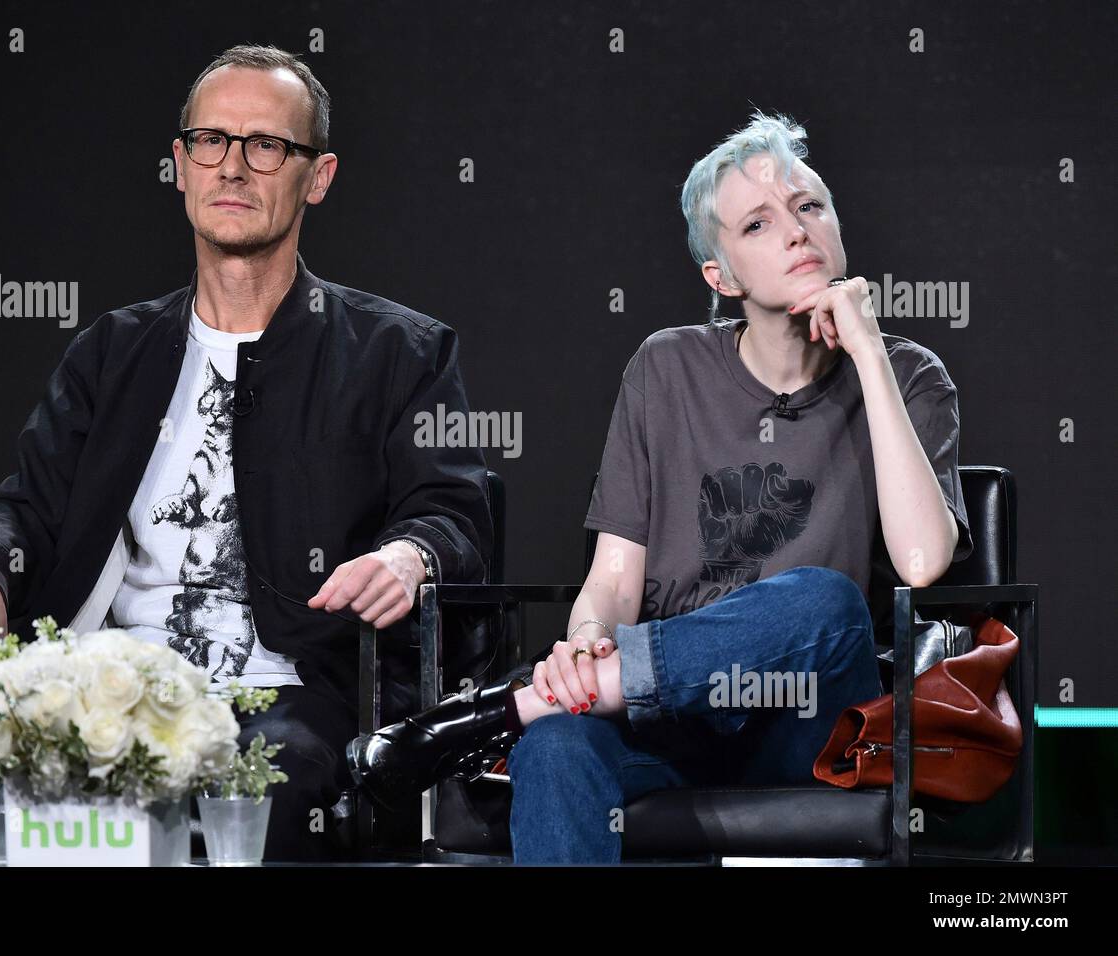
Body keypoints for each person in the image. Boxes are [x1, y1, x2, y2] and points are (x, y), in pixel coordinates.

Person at [0, 44, 493, 862]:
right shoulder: (113, 350)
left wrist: (409, 557)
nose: (233, 167)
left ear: (319, 175)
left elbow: (452, 511)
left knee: (281, 787)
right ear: (180, 163)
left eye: (267, 145)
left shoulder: (396, 351)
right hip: (100, 684)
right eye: (211, 141)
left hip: (288, 687)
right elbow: (23, 505)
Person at [347, 111, 973, 864]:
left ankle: (505, 710)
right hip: (660, 716)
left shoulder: (909, 375)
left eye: (810, 207)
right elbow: (614, 581)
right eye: (759, 223)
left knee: (826, 599)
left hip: (808, 720)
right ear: (723, 276)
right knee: (555, 747)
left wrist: (869, 351)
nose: (798, 232)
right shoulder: (664, 369)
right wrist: (581, 647)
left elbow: (920, 562)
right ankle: (543, 710)